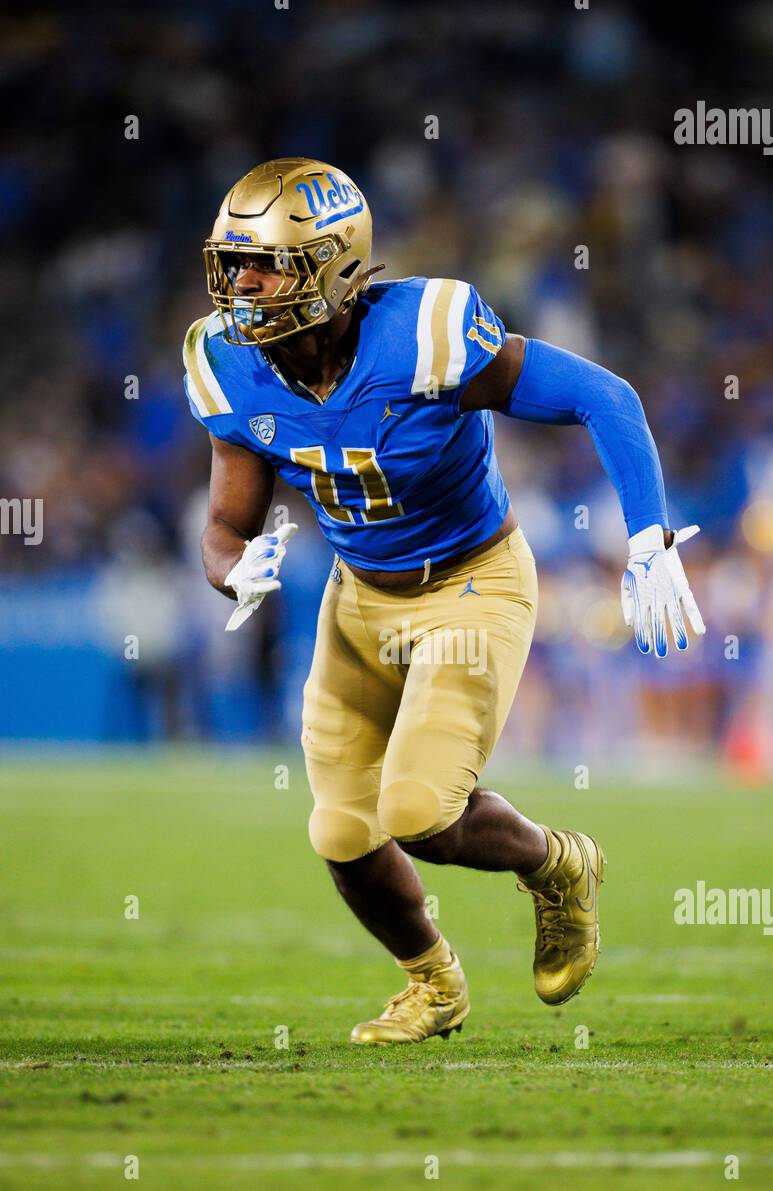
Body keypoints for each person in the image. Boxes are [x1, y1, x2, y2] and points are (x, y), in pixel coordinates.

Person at [184, 158, 704, 1044]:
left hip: (471, 584)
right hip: (358, 602)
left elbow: (602, 397)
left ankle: (557, 864)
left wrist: (647, 536)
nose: (240, 284)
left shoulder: (424, 334)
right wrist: (234, 569)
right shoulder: (228, 364)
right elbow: (225, 525)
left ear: (333, 267)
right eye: (231, 263)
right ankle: (432, 983)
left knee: (418, 812)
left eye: (262, 264)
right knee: (342, 831)